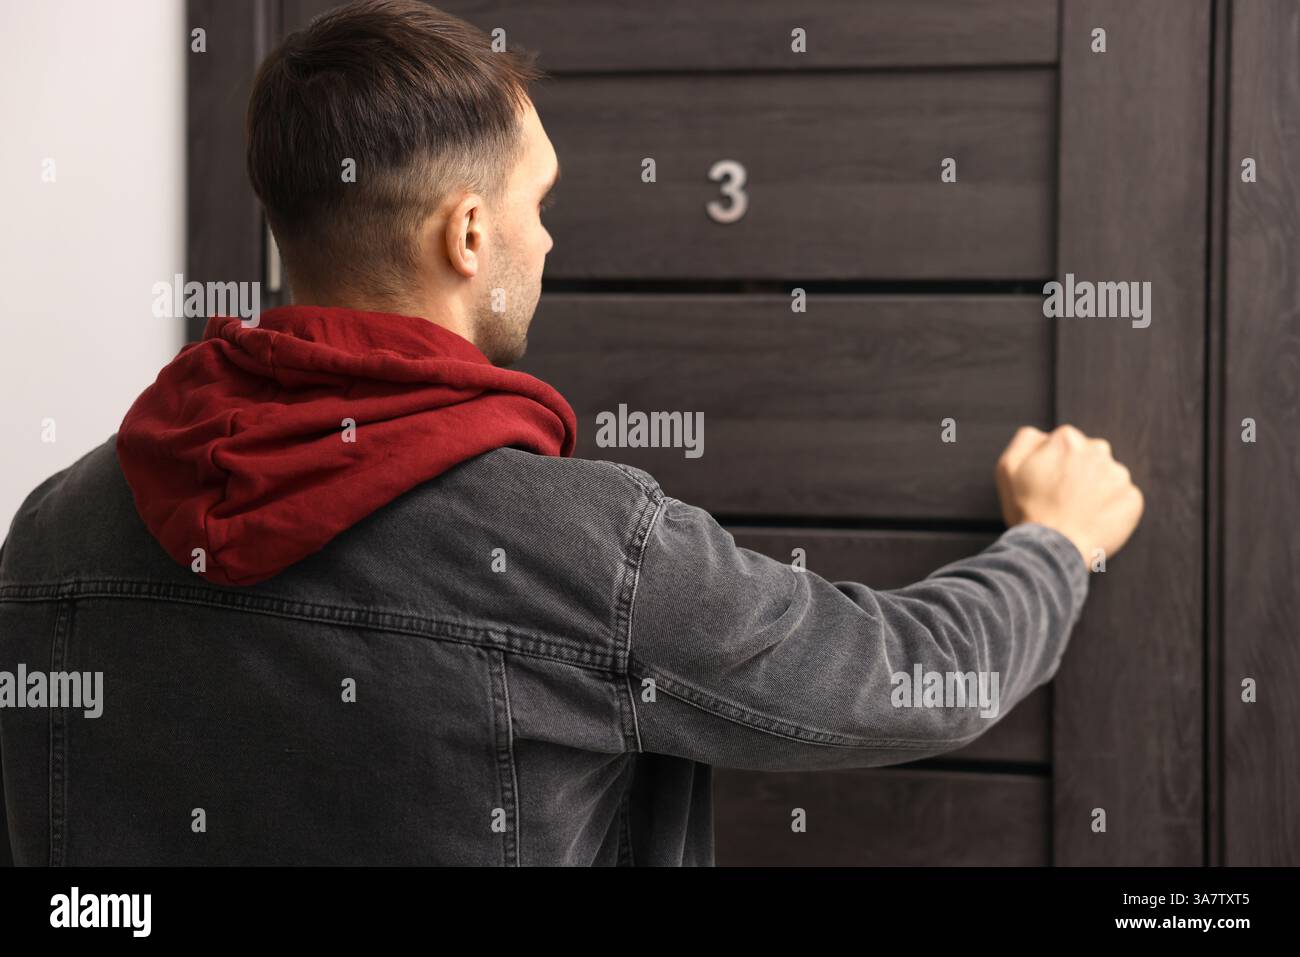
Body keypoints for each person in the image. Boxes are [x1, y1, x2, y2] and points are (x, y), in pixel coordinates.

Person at [0, 0, 1143, 866]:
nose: (546, 242)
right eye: (538, 206)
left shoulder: (56, 527)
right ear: (465, 234)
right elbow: (901, 677)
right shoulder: (593, 550)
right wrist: (1054, 543)